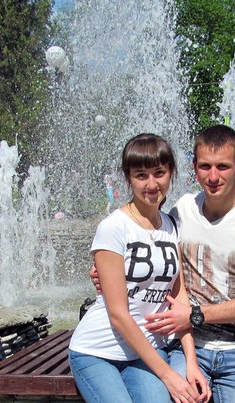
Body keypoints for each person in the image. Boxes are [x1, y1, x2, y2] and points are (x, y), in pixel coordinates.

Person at [94, 125, 235, 402]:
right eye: (205, 166)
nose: (213, 176)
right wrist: (106, 270)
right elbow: (146, 249)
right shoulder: (181, 210)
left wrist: (195, 314)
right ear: (194, 167)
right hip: (183, 346)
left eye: (223, 166)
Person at [69, 134, 210, 403]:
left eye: (159, 173)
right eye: (141, 175)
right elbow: (118, 315)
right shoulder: (114, 228)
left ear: (171, 173)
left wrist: (191, 362)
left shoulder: (171, 226)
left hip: (147, 351)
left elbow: (179, 300)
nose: (152, 184)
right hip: (97, 351)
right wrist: (169, 376)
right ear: (129, 178)